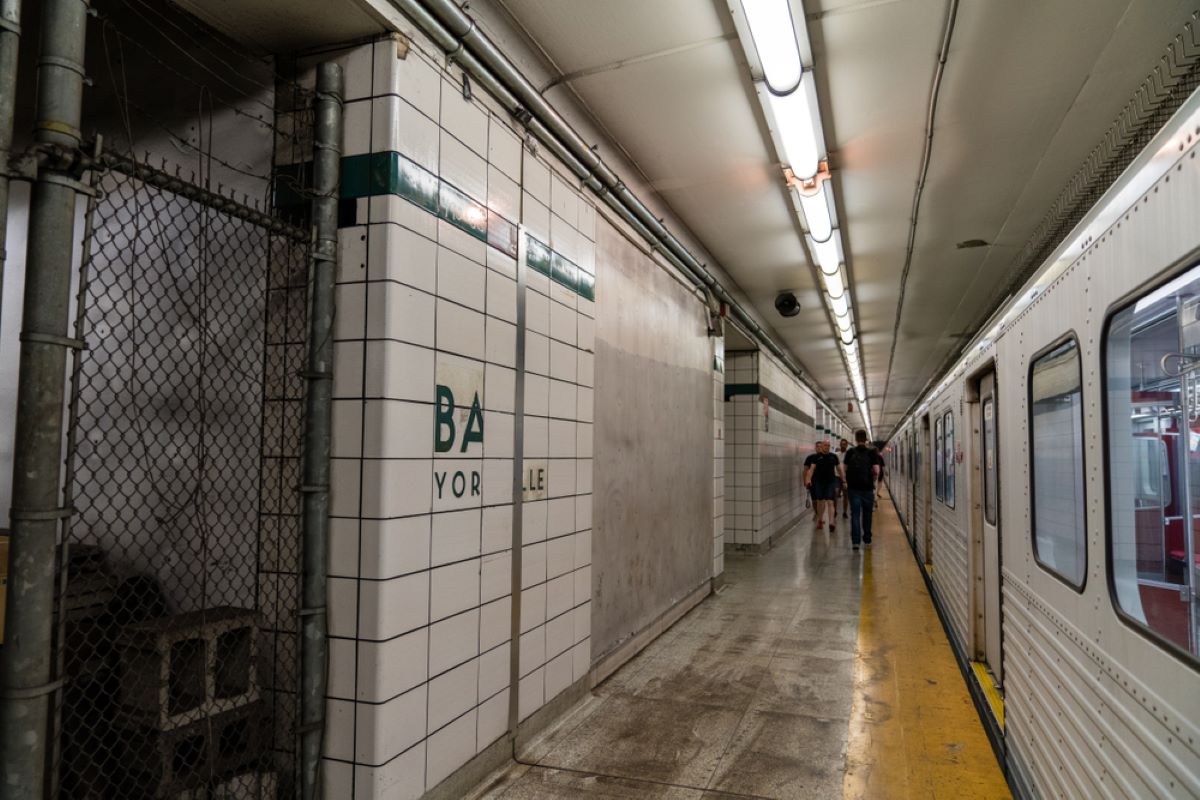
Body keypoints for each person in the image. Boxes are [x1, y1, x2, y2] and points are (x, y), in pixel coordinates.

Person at [843, 429, 884, 549]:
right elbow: (876, 471)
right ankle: (867, 540)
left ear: (855, 439)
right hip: (867, 489)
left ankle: (855, 542)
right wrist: (873, 480)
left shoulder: (850, 452)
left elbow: (845, 469)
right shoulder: (872, 452)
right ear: (866, 439)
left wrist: (847, 481)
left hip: (853, 489)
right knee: (867, 515)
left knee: (855, 515)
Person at [804, 440, 844, 531]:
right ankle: (820, 520)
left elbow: (839, 469)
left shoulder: (833, 457)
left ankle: (831, 523)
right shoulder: (816, 457)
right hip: (819, 482)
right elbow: (811, 469)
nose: (827, 447)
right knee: (820, 502)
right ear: (822, 446)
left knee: (830, 502)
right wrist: (808, 479)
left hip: (830, 482)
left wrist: (844, 480)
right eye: (825, 445)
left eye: (828, 445)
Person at [837, 438, 851, 519]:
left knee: (845, 495)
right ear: (840, 445)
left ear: (846, 445)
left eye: (844, 444)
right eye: (842, 444)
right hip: (836, 476)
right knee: (835, 493)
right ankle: (834, 510)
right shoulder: (836, 454)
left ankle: (845, 512)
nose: (843, 445)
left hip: (846, 477)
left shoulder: (849, 454)